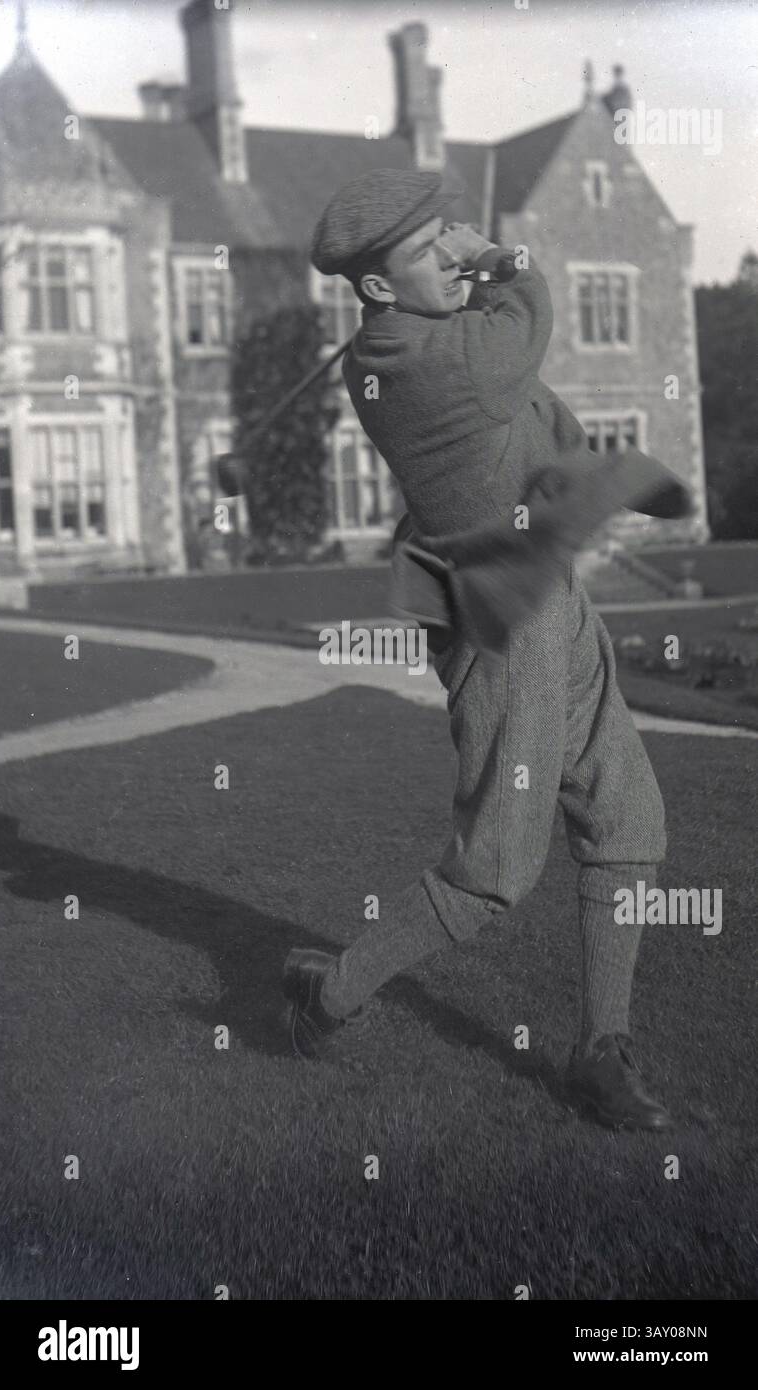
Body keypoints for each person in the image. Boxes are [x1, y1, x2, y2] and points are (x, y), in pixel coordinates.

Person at [283, 168, 680, 1130]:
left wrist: (441, 265)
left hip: (544, 591)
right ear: (376, 289)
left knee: (629, 823)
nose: (453, 255)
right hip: (505, 618)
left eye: (448, 237)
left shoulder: (393, 346)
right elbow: (527, 316)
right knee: (498, 867)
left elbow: (531, 401)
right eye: (430, 252)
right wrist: (500, 258)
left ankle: (600, 1052)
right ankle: (332, 992)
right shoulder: (445, 360)